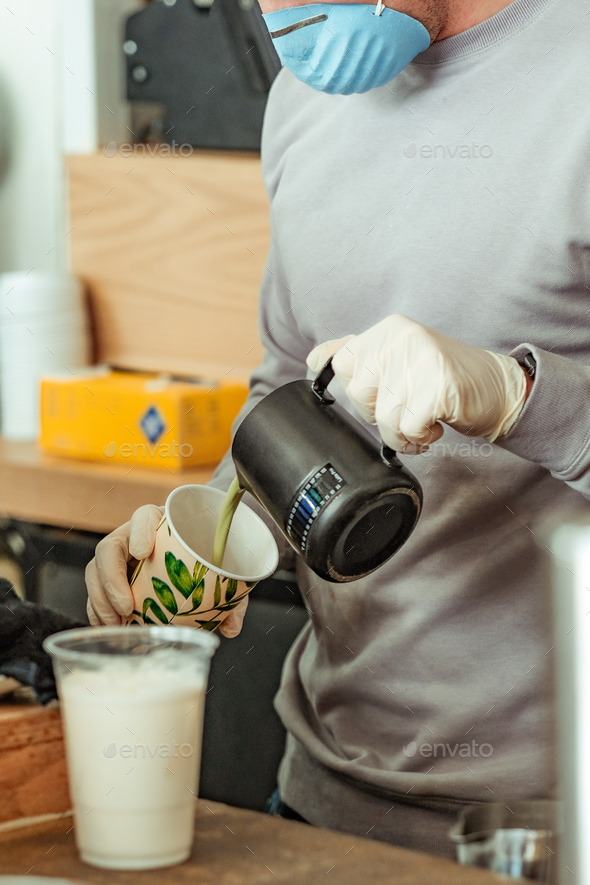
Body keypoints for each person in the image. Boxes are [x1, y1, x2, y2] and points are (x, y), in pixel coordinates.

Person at [85, 0, 590, 859]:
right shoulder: (307, 98)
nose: (282, 11)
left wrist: (517, 394)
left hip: (548, 827)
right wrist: (207, 538)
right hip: (322, 797)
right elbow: (288, 385)